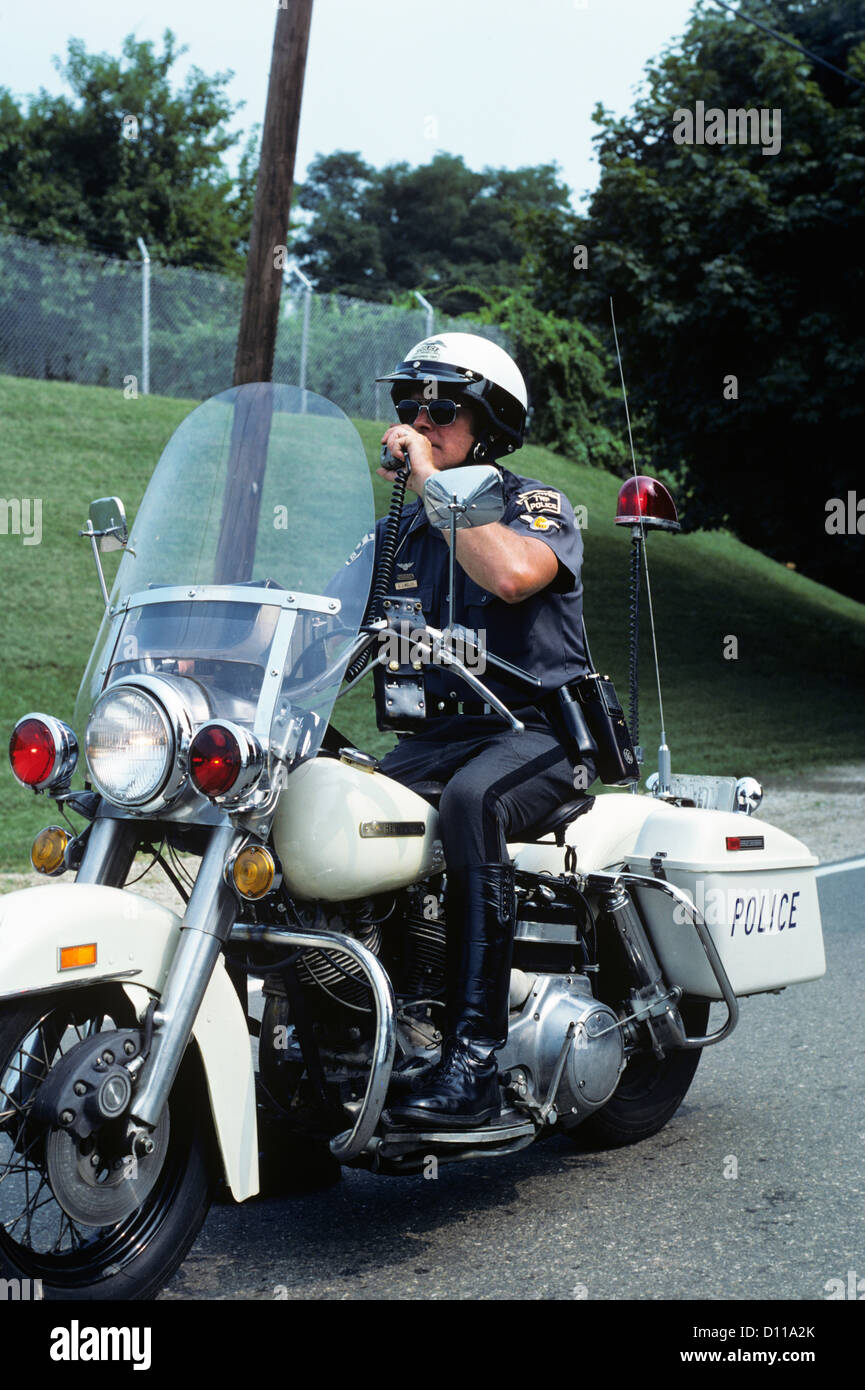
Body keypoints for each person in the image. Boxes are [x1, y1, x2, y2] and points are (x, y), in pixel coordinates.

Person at [372, 332, 596, 1129]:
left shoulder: (532, 504)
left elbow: (508, 575)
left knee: (473, 802)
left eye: (439, 408)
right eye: (407, 405)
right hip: (431, 738)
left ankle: (471, 1059)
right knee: (318, 810)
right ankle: (355, 1042)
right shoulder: (396, 533)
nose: (417, 420)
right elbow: (326, 625)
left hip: (537, 737)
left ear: (488, 425)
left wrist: (432, 482)